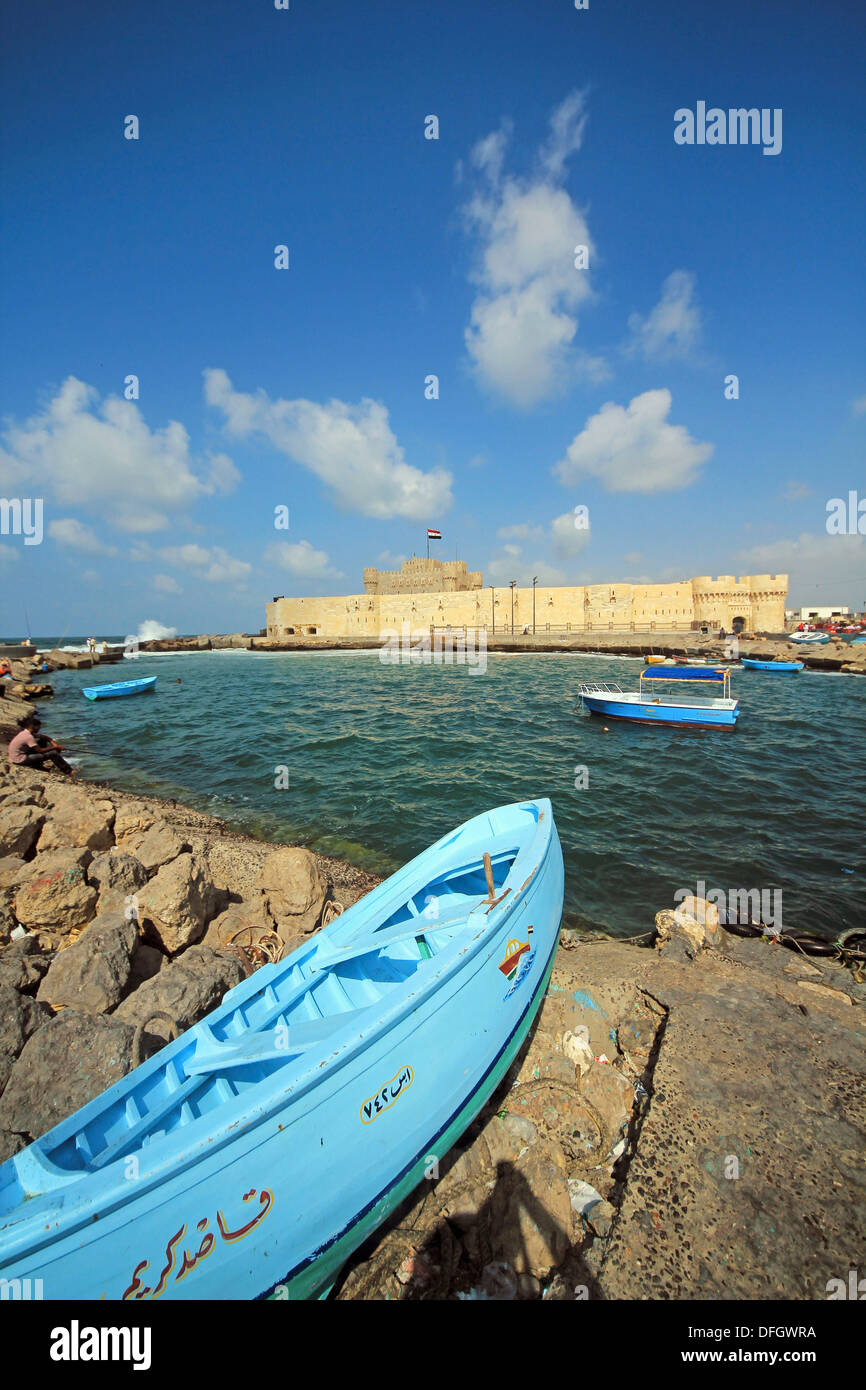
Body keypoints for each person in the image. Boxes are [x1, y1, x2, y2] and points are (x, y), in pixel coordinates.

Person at [8, 714, 74, 775]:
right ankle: (69, 771)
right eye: (38, 727)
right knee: (53, 753)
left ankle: (38, 765)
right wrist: (55, 747)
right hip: (20, 759)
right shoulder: (28, 737)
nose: (39, 728)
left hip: (16, 756)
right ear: (33, 726)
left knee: (43, 740)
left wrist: (55, 744)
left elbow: (45, 737)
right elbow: (40, 750)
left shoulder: (25, 732)